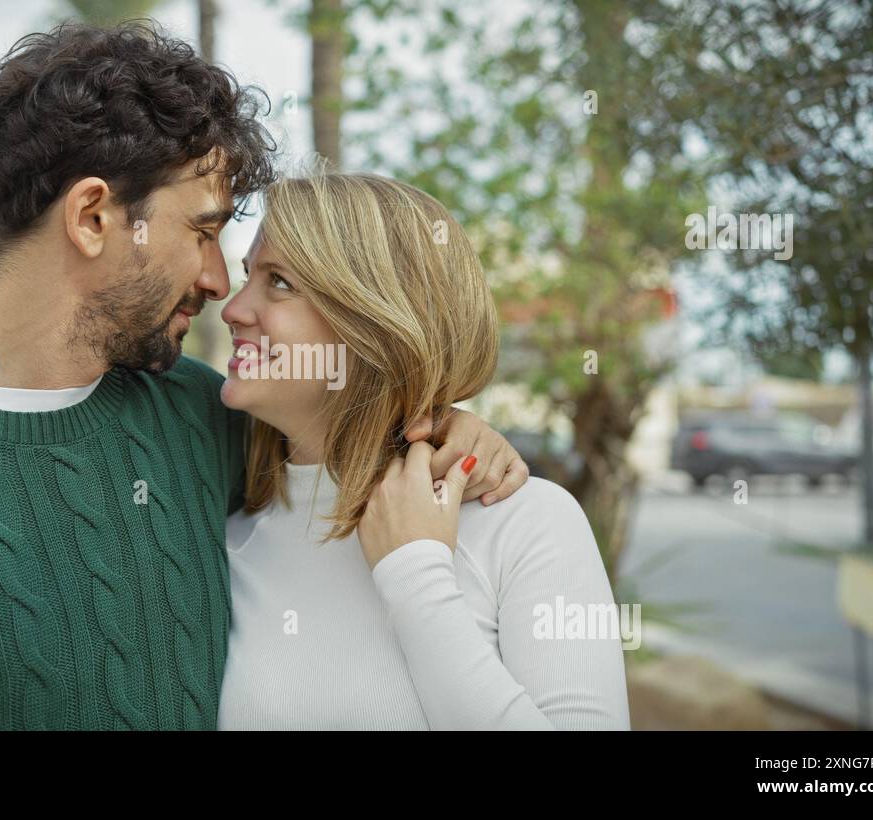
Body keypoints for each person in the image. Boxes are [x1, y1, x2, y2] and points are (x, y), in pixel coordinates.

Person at [0, 21, 526, 730]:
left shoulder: (206, 420)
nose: (219, 281)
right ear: (91, 217)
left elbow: (354, 426)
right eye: (203, 230)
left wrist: (448, 422)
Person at [216, 173, 630, 729]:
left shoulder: (527, 521)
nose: (233, 309)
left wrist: (416, 578)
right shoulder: (229, 532)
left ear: (377, 323)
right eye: (248, 276)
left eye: (281, 283)